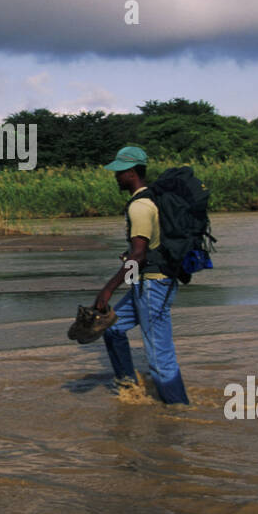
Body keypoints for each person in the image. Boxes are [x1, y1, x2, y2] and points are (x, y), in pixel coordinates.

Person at [93, 146, 189, 404]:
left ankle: (179, 411)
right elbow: (143, 252)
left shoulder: (140, 206)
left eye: (119, 172)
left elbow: (139, 256)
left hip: (154, 287)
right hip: (145, 284)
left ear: (132, 172)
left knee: (160, 356)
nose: (116, 177)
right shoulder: (150, 199)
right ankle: (130, 390)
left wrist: (108, 289)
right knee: (112, 328)